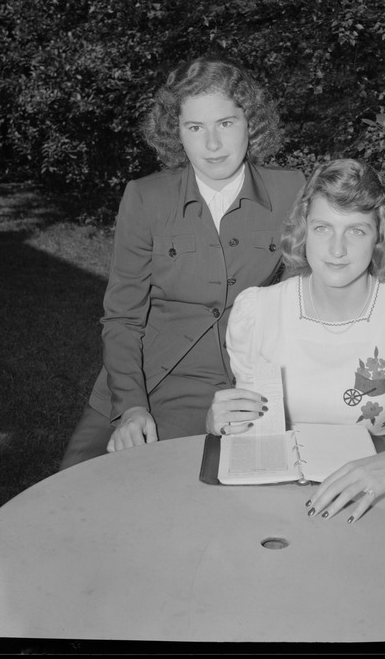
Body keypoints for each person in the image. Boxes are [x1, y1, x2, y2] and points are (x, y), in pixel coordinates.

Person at [206, 158, 385, 522]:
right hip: (272, 509)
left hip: (373, 508)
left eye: (357, 231)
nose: (337, 249)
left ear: (380, 236)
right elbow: (247, 431)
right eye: (322, 228)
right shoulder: (258, 312)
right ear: (303, 229)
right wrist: (218, 421)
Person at [60, 56, 305, 469]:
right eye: (195, 127)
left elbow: (303, 303)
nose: (212, 144)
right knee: (72, 488)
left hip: (236, 386)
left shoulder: (290, 190)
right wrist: (132, 408)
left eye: (225, 123)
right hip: (145, 379)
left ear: (251, 124)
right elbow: (122, 318)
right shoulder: (145, 197)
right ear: (176, 131)